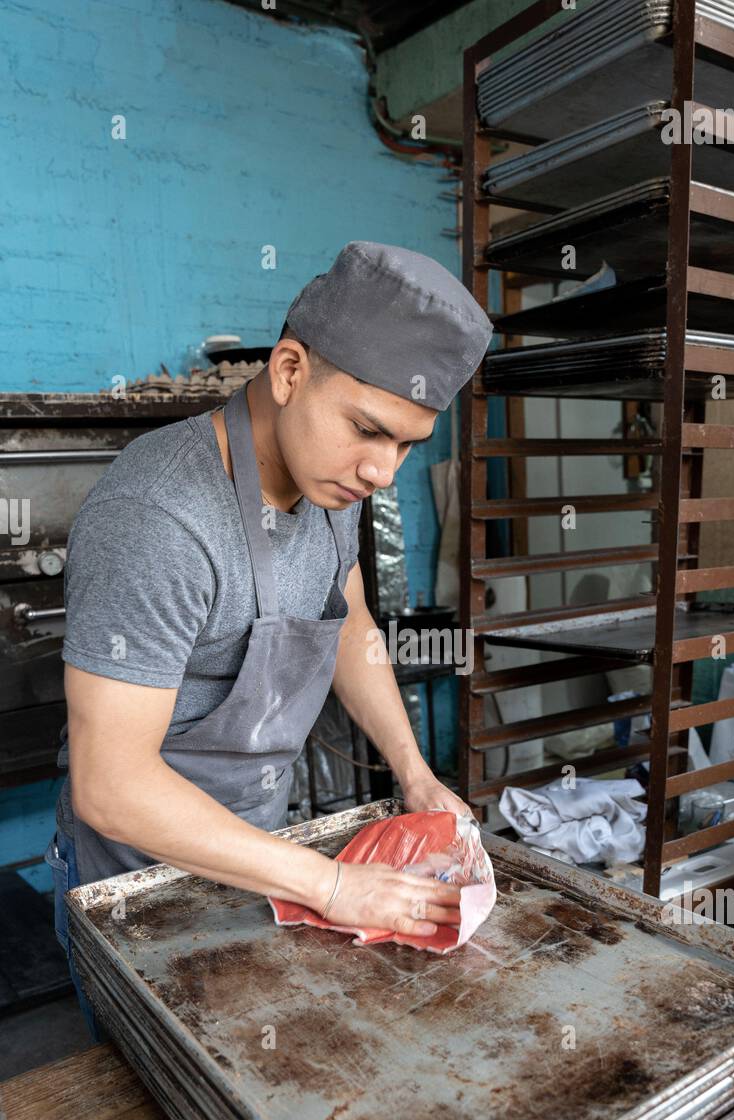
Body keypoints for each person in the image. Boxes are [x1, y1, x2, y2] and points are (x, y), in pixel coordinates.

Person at [44, 240, 494, 1040]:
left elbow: (346, 611)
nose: (382, 472)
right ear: (288, 371)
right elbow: (110, 786)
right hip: (137, 885)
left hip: (266, 854)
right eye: (367, 429)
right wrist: (328, 886)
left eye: (405, 446)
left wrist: (416, 775)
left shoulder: (334, 481)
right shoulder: (157, 519)